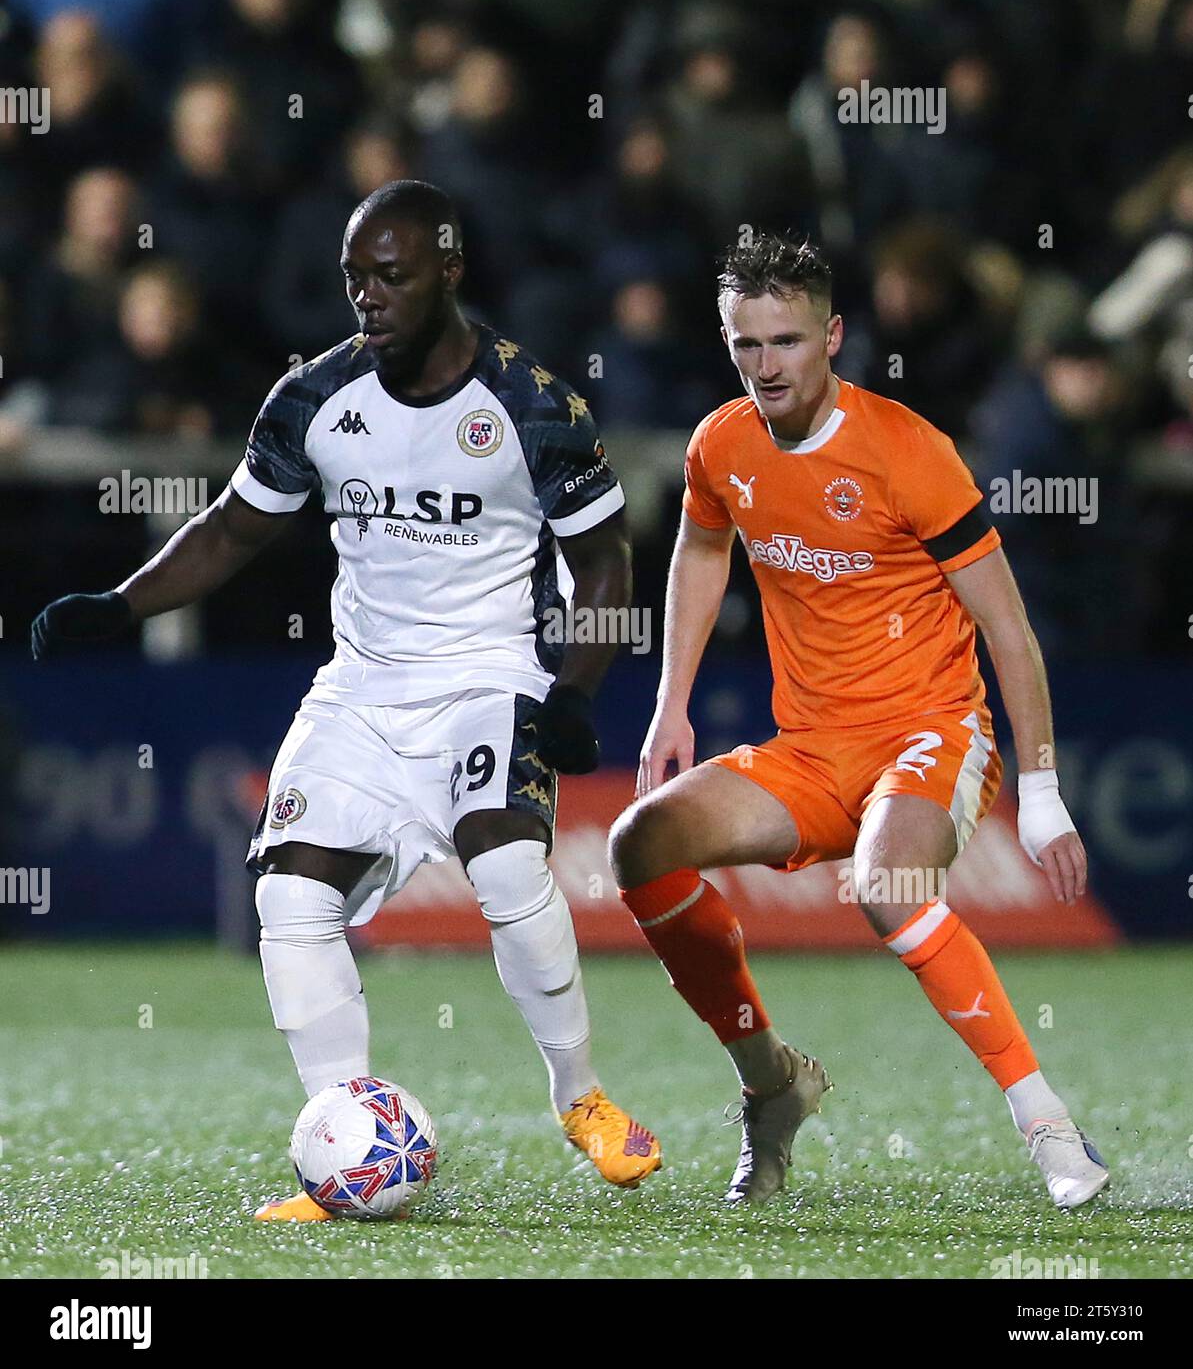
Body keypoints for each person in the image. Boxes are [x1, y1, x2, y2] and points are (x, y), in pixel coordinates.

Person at [32, 179, 661, 1219]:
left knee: (506, 857)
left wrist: (572, 686)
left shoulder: (533, 405)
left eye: (391, 275)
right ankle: (346, 1140)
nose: (366, 297)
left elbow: (602, 558)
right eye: (353, 278)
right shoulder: (314, 397)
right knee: (288, 898)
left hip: (487, 678)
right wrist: (122, 603)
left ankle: (580, 1096)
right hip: (359, 692)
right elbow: (234, 526)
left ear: (448, 273)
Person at [608, 232, 1107, 1210]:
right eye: (743, 344)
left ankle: (1042, 1118)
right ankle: (771, 1083)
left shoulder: (907, 451)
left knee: (887, 882)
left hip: (932, 729)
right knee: (641, 844)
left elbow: (1007, 629)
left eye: (784, 341)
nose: (763, 366)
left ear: (831, 336)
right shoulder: (721, 444)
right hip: (812, 749)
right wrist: (670, 703)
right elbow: (699, 551)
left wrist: (1040, 792)